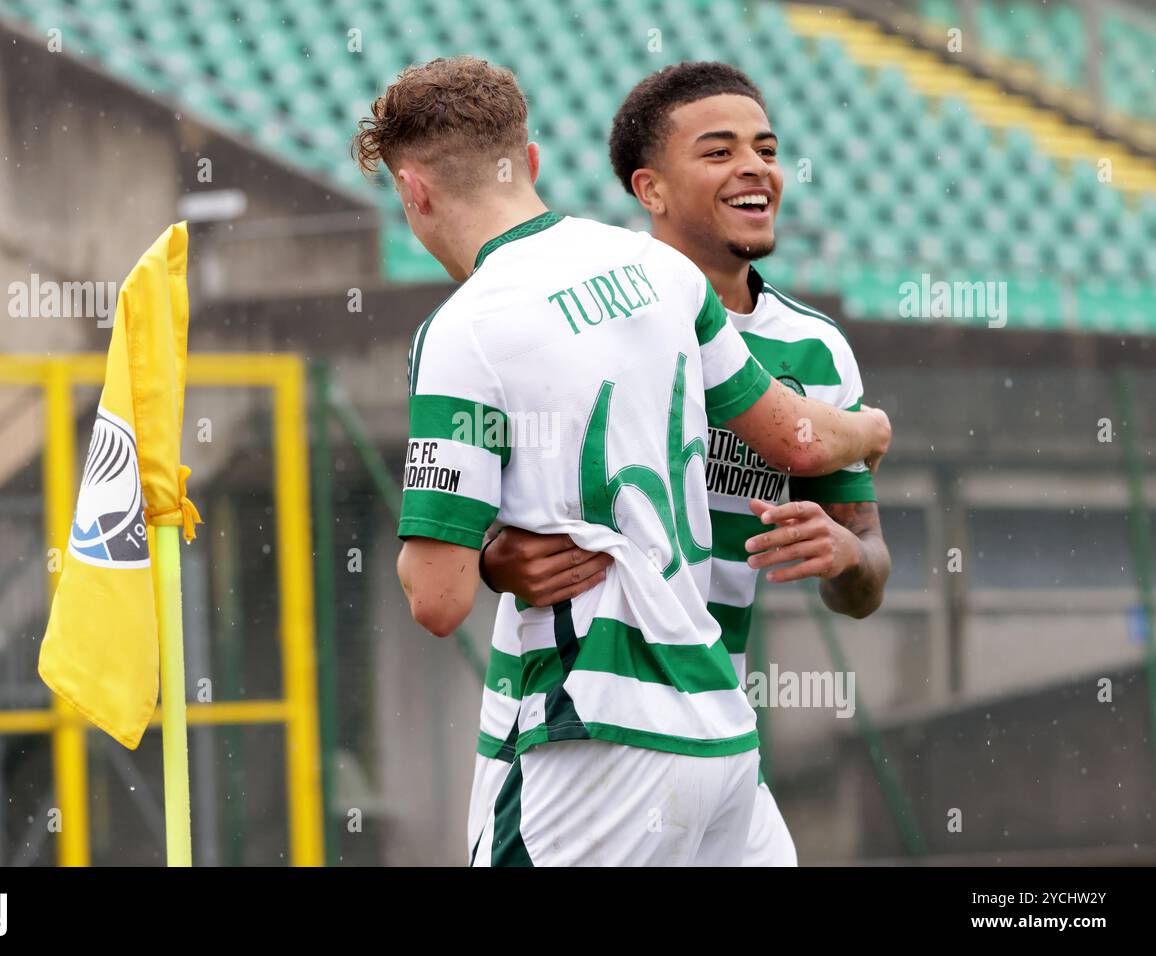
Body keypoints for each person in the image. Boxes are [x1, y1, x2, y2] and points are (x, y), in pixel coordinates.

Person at [353, 56, 891, 865]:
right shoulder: (661, 276)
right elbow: (794, 437)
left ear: (413, 193)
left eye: (766, 148)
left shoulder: (466, 328)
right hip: (712, 729)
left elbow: (436, 598)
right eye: (718, 150)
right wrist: (870, 431)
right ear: (532, 163)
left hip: (594, 728)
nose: (753, 167)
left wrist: (852, 543)